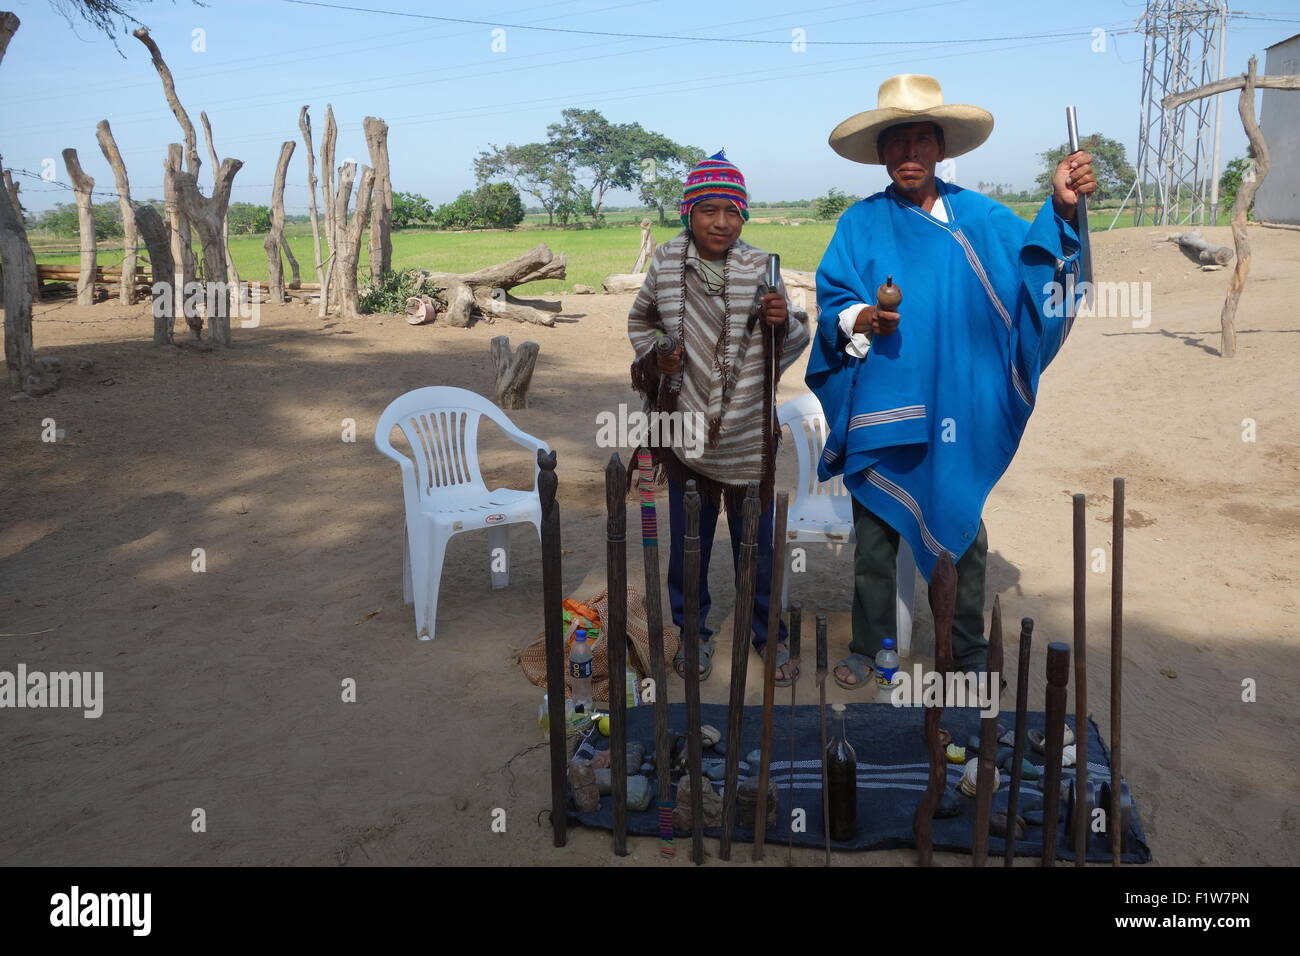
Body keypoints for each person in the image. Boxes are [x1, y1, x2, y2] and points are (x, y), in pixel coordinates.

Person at [806, 74, 1096, 688]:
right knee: (875, 533)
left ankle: (963, 650)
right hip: (884, 404)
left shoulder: (983, 219)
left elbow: (1037, 270)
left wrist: (1063, 206)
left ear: (941, 149)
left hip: (959, 406)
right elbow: (833, 301)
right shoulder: (858, 225)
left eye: (921, 141)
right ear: (882, 153)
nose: (909, 154)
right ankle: (873, 644)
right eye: (897, 142)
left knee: (962, 526)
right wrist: (864, 316)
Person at [628, 151, 810, 684]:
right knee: (690, 546)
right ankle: (691, 633)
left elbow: (798, 335)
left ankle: (767, 635)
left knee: (758, 547)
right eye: (709, 210)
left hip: (749, 434)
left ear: (743, 216)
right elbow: (642, 322)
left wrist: (781, 321)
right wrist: (658, 356)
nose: (722, 223)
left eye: (732, 211)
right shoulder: (665, 262)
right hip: (685, 430)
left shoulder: (761, 266)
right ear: (689, 212)